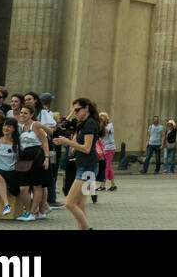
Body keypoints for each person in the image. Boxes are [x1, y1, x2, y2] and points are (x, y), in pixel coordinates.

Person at [53, 96, 98, 231]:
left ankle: (88, 229)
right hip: (85, 165)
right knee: (80, 204)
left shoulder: (90, 123)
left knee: (69, 203)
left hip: (87, 167)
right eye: (75, 110)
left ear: (86, 108)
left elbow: (86, 148)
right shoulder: (84, 123)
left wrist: (67, 142)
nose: (76, 113)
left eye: (78, 110)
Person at [14, 103, 50, 221]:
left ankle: (32, 212)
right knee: (23, 188)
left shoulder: (35, 125)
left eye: (25, 113)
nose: (22, 115)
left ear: (32, 114)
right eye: (21, 112)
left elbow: (44, 142)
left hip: (36, 158)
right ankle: (30, 210)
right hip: (24, 159)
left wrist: (46, 158)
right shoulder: (21, 126)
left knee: (37, 185)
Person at [98, 111, 117, 191]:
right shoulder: (100, 126)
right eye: (101, 117)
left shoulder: (110, 125)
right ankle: (113, 185)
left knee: (106, 166)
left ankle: (102, 185)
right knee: (109, 167)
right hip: (103, 148)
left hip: (109, 148)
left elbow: (106, 132)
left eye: (103, 117)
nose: (102, 118)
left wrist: (102, 124)